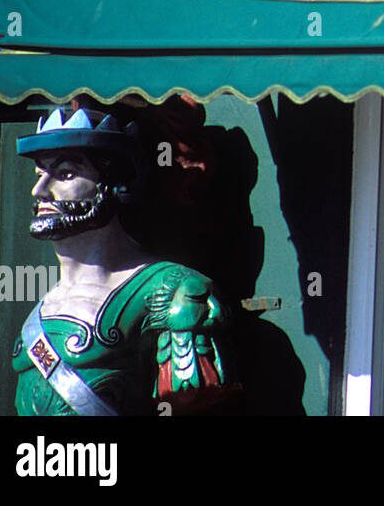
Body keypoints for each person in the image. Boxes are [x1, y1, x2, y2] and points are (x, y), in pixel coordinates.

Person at [12, 104, 237, 415]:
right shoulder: (45, 304)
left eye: (65, 174)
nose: (39, 190)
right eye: (40, 174)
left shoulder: (172, 292)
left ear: (110, 186)